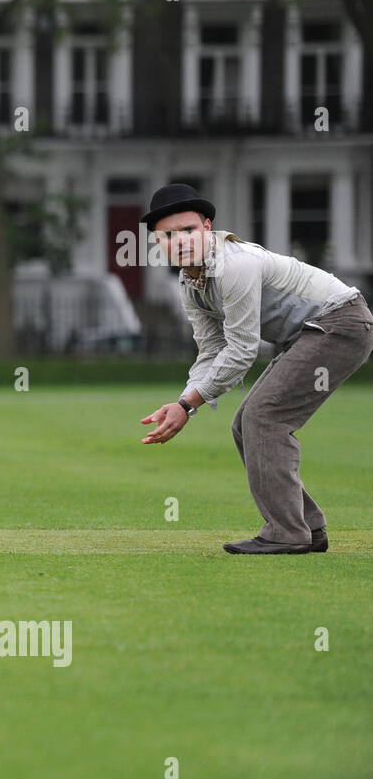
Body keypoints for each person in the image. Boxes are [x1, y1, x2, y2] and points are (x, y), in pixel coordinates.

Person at [138, 183, 373, 554]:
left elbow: (243, 350)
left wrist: (188, 407)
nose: (180, 240)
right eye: (168, 235)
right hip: (309, 334)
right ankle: (306, 527)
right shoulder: (190, 282)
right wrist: (184, 400)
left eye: (188, 230)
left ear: (207, 227)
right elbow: (213, 348)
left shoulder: (235, 265)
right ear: (157, 242)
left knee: (263, 418)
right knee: (246, 423)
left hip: (339, 324)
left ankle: (286, 533)